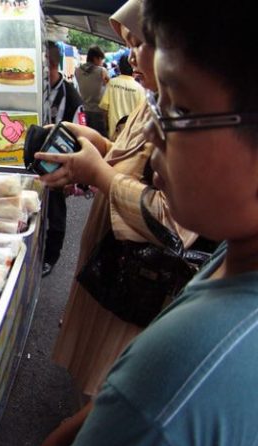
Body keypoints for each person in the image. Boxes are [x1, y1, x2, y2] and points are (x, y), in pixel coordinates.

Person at [20, 0, 258, 446]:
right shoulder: (234, 260)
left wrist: (100, 173)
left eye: (179, 108)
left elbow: (144, 401)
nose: (153, 129)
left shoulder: (171, 376)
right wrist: (73, 431)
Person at [46, 0, 197, 397]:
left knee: (114, 388)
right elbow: (135, 165)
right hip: (111, 262)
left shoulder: (185, 114)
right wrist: (101, 145)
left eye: (139, 42)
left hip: (141, 280)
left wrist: (98, 173)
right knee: (95, 376)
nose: (132, 55)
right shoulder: (152, 103)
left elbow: (173, 222)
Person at [43, 40, 84, 277]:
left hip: (59, 162)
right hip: (31, 161)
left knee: (56, 214)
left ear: (51, 64)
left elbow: (80, 135)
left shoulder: (71, 95)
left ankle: (51, 257)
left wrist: (73, 175)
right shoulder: (34, 89)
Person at [99, 54, 145, 138]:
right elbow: (141, 116)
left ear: (119, 67)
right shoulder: (140, 89)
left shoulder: (112, 83)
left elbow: (104, 109)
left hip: (114, 135)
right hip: (130, 137)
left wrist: (106, 128)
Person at [74, 46, 109, 137]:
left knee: (86, 138)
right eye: (101, 59)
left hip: (83, 111)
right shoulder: (102, 71)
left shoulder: (77, 71)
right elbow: (108, 86)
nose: (102, 62)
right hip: (98, 113)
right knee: (101, 140)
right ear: (95, 58)